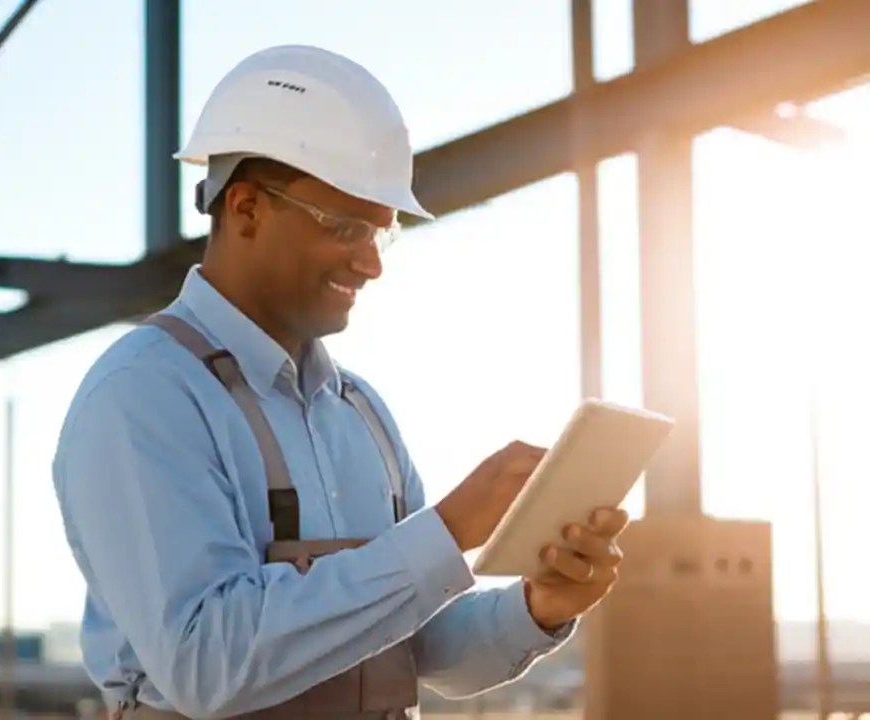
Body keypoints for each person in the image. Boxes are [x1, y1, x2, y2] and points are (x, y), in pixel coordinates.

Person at [52, 44, 628, 720]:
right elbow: (206, 663)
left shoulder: (360, 413)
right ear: (245, 209)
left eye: (382, 234)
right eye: (347, 227)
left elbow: (419, 646)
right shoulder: (144, 395)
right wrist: (449, 528)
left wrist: (539, 606)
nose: (371, 264)